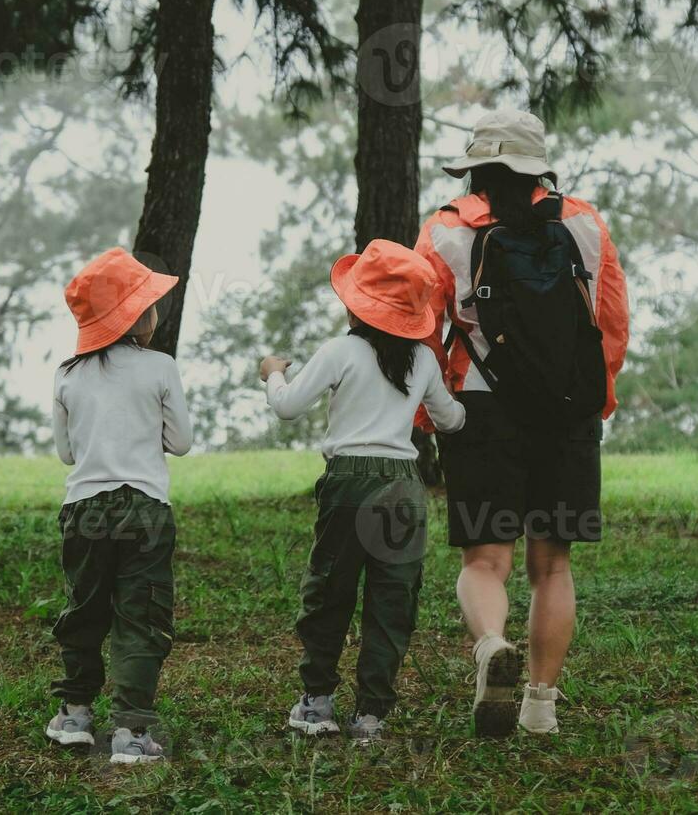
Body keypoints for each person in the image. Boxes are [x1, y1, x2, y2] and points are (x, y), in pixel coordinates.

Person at [415, 108, 629, 736]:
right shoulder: (584, 223)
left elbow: (422, 328)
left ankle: (490, 645)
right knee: (552, 564)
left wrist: (430, 415)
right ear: (538, 167)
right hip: (568, 409)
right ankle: (540, 706)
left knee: (485, 560)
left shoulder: (445, 230)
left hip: (481, 406)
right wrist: (596, 400)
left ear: (477, 169)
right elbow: (610, 321)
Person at [260, 238, 466, 743]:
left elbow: (287, 407)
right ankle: (372, 713)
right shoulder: (422, 359)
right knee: (393, 597)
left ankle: (316, 702)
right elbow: (451, 420)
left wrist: (273, 374)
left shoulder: (340, 351)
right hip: (403, 485)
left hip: (349, 480)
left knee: (330, 587)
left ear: (356, 305)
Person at [45, 247, 193, 764]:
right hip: (145, 510)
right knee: (141, 617)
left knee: (84, 609)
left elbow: (67, 454)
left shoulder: (67, 374)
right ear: (137, 315)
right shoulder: (161, 367)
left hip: (84, 508)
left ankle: (74, 715)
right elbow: (181, 442)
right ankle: (131, 732)